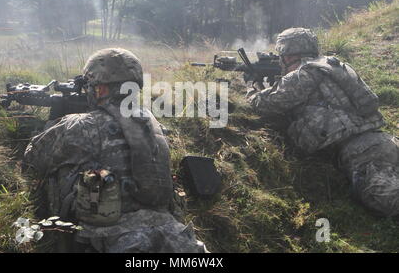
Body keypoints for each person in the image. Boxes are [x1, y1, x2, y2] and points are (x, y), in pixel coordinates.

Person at [24, 48, 207, 253]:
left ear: (99, 89)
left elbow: (33, 159)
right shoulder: (154, 126)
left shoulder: (82, 126)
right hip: (175, 237)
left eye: (89, 86)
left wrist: (53, 121)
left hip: (115, 242)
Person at [249, 28, 399, 217]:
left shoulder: (302, 75)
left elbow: (265, 104)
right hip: (384, 141)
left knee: (387, 200)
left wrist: (252, 88)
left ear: (288, 55)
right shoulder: (333, 66)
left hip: (361, 154)